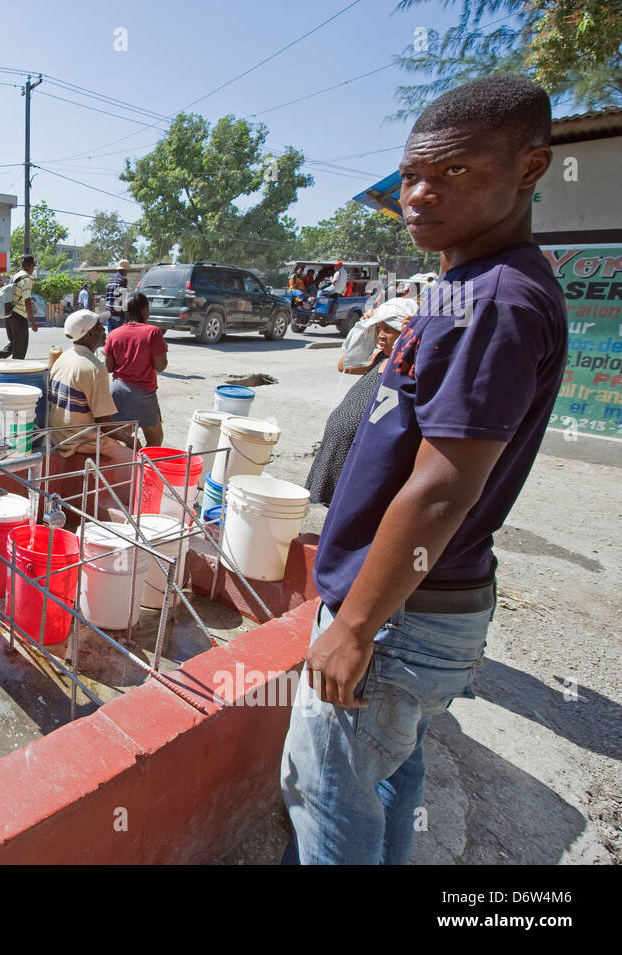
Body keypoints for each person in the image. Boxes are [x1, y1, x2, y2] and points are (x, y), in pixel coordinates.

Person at [279, 76, 564, 865]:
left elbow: (442, 486)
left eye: (454, 172)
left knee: (327, 799)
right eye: (410, 175)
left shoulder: (499, 299)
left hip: (400, 615)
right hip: (412, 605)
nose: (419, 194)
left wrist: (356, 626)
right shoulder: (461, 284)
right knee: (388, 779)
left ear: (530, 168)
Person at [305, 300, 415, 506]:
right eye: (380, 329)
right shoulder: (380, 358)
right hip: (337, 450)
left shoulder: (406, 364)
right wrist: (363, 327)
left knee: (348, 507)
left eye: (390, 330)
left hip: (358, 454)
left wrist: (413, 338)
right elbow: (344, 365)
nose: (381, 335)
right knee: (333, 505)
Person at [47, 309, 137, 513]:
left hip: (58, 433)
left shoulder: (63, 357)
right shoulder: (95, 368)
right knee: (131, 458)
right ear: (88, 335)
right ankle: (127, 507)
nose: (104, 331)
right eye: (99, 328)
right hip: (78, 439)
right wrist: (130, 440)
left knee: (123, 431)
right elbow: (103, 422)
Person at [104, 291, 168, 447]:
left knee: (122, 441)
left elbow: (108, 367)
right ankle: (142, 470)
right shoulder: (153, 332)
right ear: (145, 310)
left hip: (117, 392)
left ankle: (125, 470)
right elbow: (161, 366)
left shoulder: (114, 334)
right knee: (155, 442)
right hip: (143, 394)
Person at [0, 254, 37, 360]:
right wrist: (33, 322)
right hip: (19, 317)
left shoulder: (16, 276)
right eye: (33, 267)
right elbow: (27, 301)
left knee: (14, 345)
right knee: (21, 348)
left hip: (9, 314)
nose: (33, 269)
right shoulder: (26, 279)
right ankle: (17, 371)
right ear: (30, 265)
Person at [105, 259, 131, 332]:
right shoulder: (122, 280)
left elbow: (108, 297)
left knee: (111, 336)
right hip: (118, 313)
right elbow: (123, 298)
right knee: (120, 336)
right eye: (127, 270)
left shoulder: (110, 280)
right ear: (124, 270)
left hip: (109, 312)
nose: (127, 272)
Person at [323, 259, 348, 323]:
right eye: (335, 266)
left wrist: (331, 278)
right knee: (333, 300)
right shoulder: (345, 272)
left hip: (335, 289)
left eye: (336, 266)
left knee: (320, 292)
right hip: (340, 290)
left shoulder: (338, 272)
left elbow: (333, 283)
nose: (335, 267)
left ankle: (319, 309)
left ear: (340, 265)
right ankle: (331, 313)